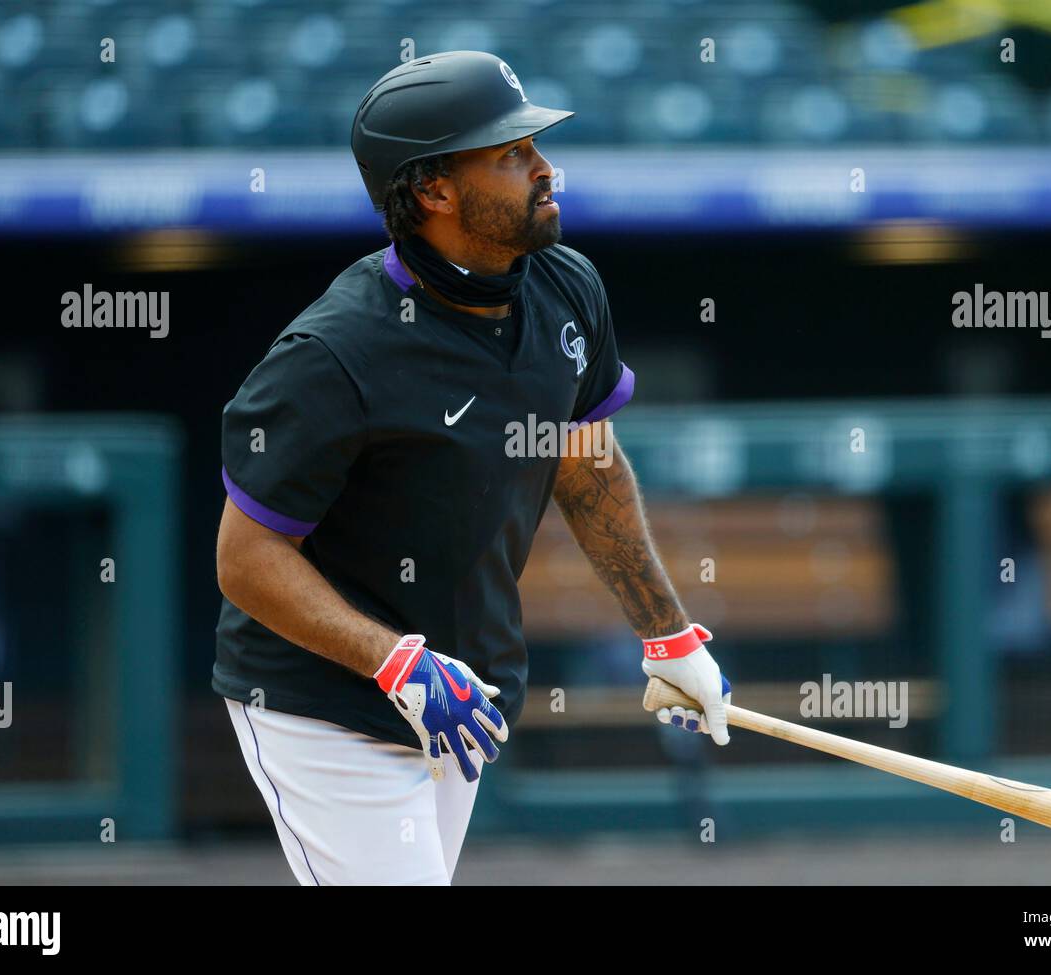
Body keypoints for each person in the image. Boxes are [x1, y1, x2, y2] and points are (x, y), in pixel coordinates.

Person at [214, 50, 731, 885]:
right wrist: (395, 662)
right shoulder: (332, 354)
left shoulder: (567, 288)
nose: (542, 166)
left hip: (467, 696)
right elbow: (244, 559)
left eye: (532, 145)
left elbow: (585, 462)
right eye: (509, 154)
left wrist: (665, 633)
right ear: (434, 192)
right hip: (324, 702)